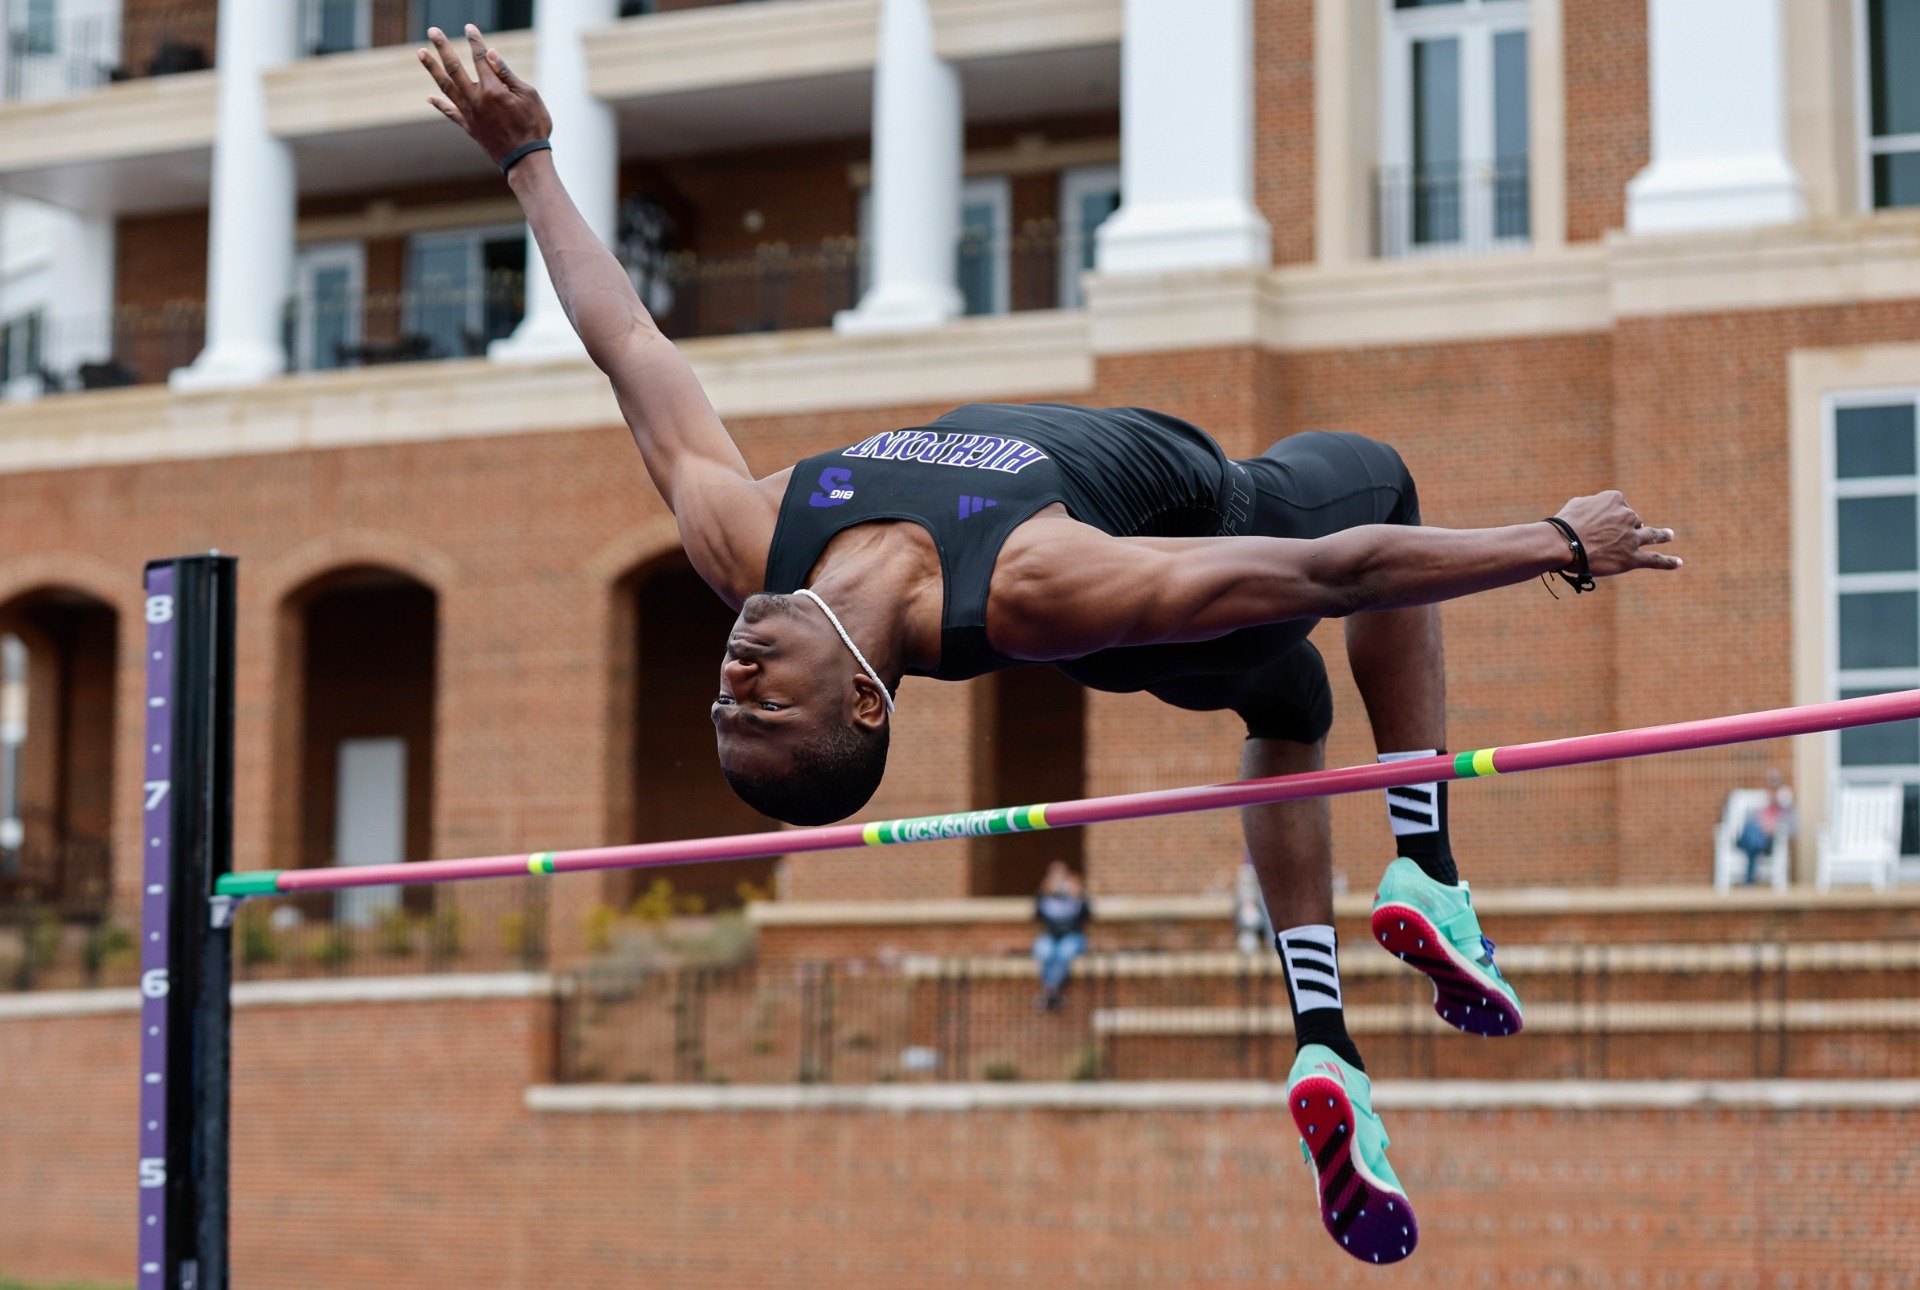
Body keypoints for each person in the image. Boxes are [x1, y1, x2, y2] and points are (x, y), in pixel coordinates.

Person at [418, 28, 1683, 1265]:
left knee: (1291, 704)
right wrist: (1556, 542)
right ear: (865, 706)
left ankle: (1325, 1045)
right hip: (1203, 544)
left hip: (1147, 623)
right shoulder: (1030, 580)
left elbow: (629, 344)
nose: (732, 677)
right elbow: (1327, 568)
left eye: (724, 701)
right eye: (765, 706)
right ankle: (1426, 867)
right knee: (1376, 484)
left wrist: (526, 156)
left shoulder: (744, 538)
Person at [1033, 860, 1091, 1010]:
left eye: (1062, 876)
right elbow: (1036, 915)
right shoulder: (1046, 897)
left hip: (1073, 936)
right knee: (1044, 950)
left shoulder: (1075, 896)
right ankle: (1052, 991)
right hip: (1051, 937)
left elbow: (1088, 915)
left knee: (1064, 953)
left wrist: (1080, 895)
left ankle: (1051, 990)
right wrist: (1042, 892)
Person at [1738, 768, 1797, 885]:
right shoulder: (1760, 803)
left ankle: (1749, 881)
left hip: (1768, 843)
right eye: (1770, 785)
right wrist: (1762, 823)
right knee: (1751, 831)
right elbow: (1748, 822)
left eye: (1775, 785)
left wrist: (1774, 826)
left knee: (1754, 840)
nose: (1772, 789)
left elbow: (1793, 828)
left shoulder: (1785, 806)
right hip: (1753, 836)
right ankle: (1749, 879)